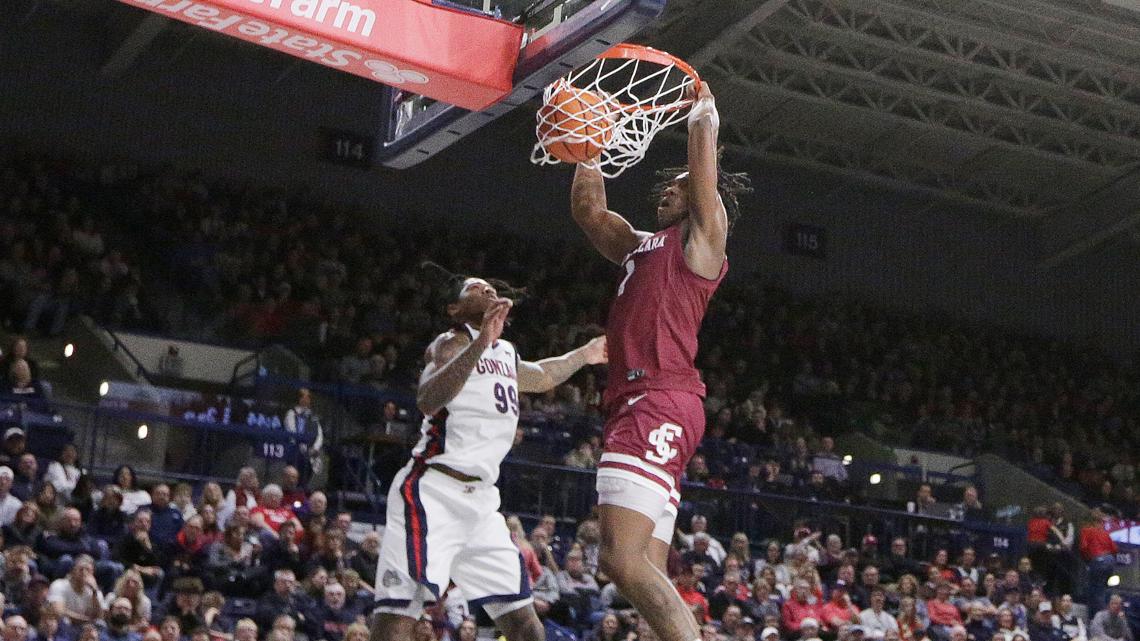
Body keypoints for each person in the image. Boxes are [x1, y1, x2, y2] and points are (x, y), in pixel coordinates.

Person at [570, 81, 751, 641]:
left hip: (658, 399)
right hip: (645, 401)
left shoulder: (702, 243)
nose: (663, 197)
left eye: (675, 190)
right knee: (639, 571)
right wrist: (587, 144)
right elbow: (591, 214)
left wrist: (703, 115)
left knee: (618, 561)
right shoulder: (644, 246)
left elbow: (703, 183)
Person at [372, 268, 606, 641]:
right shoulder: (450, 342)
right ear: (455, 309)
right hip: (433, 492)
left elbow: (542, 376)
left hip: (481, 503)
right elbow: (427, 400)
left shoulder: (505, 352)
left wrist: (587, 353)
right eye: (475, 289)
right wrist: (480, 343)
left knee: (525, 625)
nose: (488, 289)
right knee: (398, 616)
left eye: (490, 287)